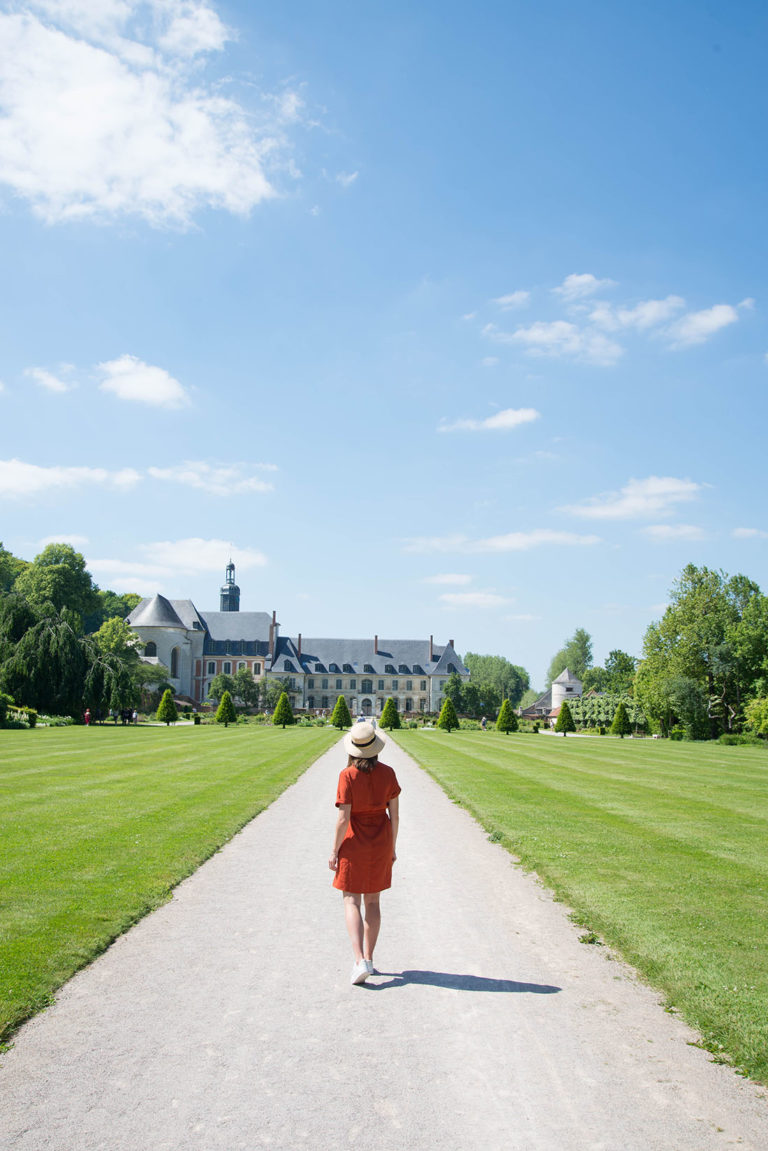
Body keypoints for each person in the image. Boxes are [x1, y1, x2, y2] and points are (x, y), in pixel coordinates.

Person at [329, 721, 400, 985]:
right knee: (373, 902)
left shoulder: (347, 775)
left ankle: (359, 960)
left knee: (351, 901)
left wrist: (334, 850)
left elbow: (343, 819)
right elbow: (395, 816)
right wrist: (392, 847)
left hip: (354, 841)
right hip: (381, 840)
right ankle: (369, 959)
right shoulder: (388, 773)